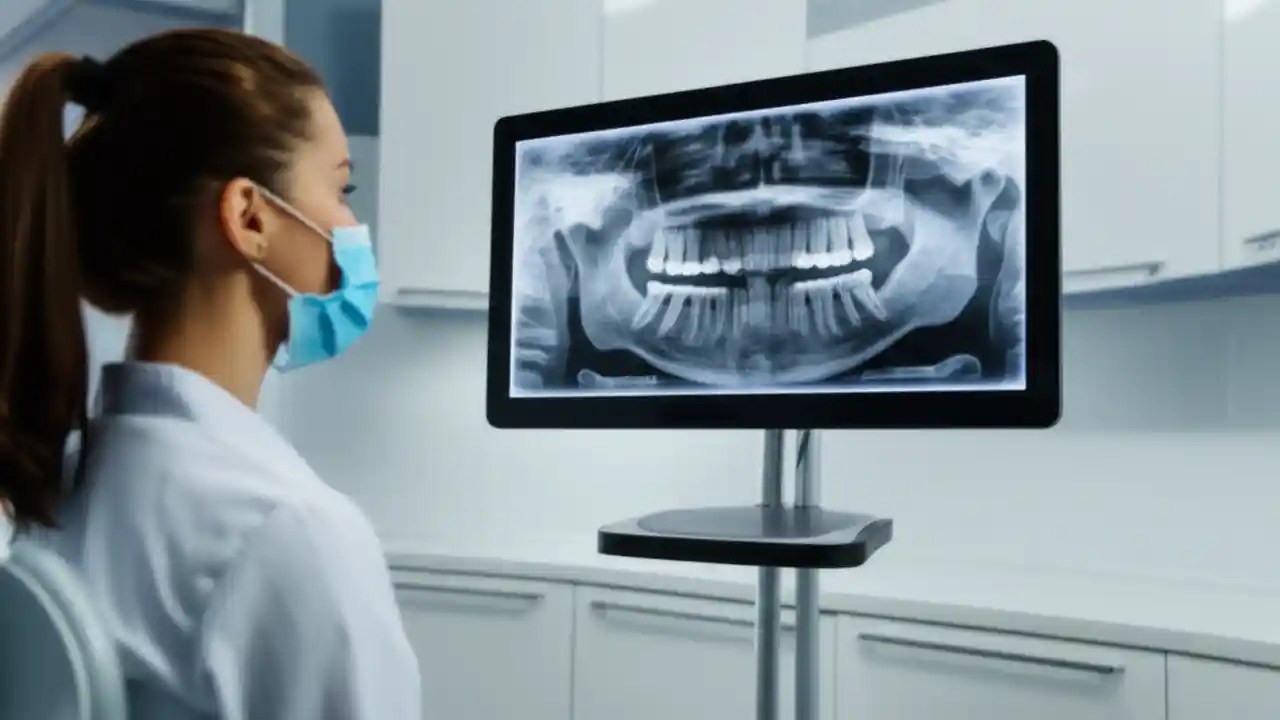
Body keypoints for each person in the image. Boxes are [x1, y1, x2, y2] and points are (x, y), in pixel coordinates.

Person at [0, 29, 420, 719]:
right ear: (250, 217)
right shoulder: (292, 533)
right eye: (343, 189)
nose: (352, 228)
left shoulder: (60, 486)